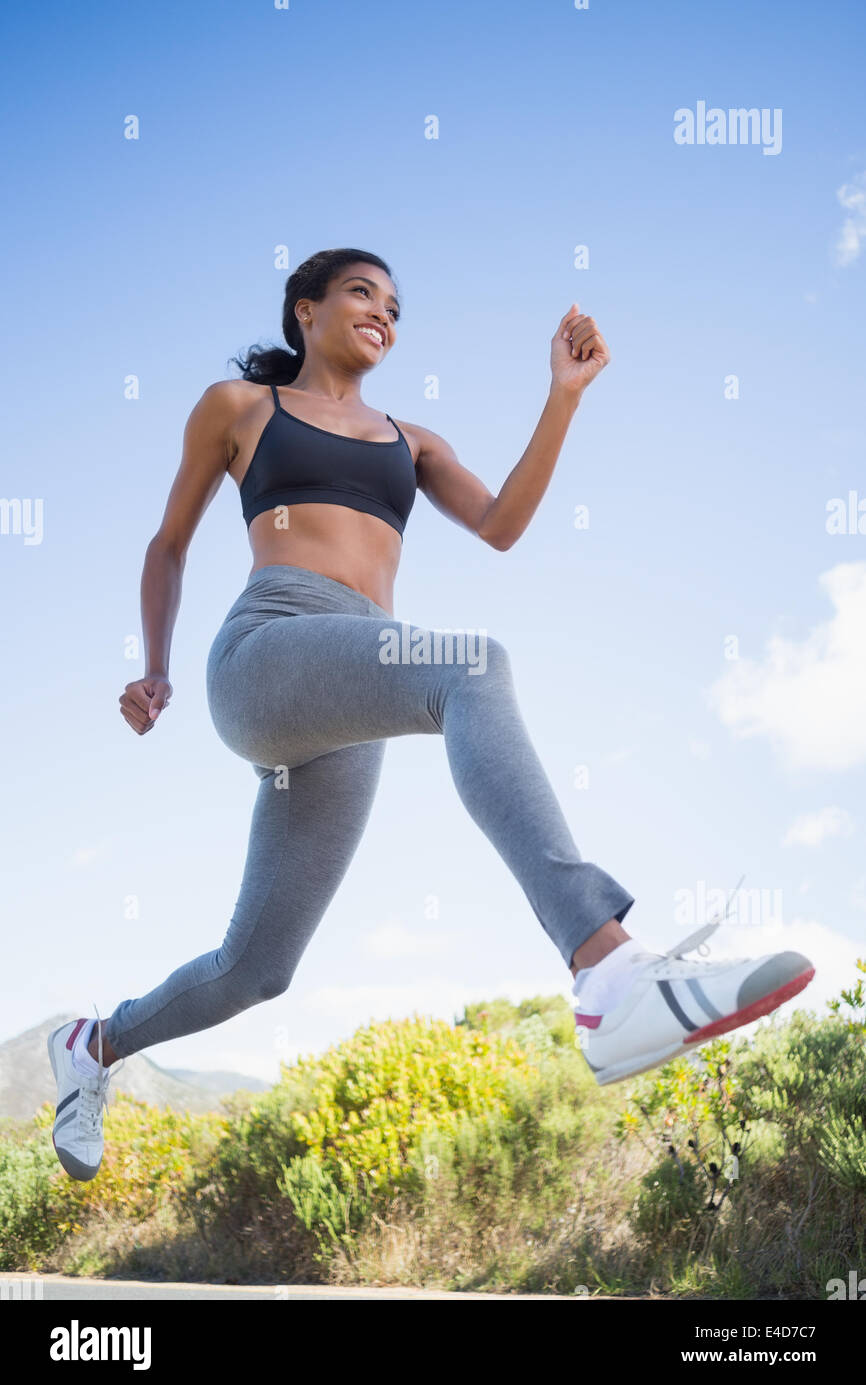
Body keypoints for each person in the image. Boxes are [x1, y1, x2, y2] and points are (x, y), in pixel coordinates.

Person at [48, 247, 814, 1181]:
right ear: (305, 310)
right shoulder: (241, 408)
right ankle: (607, 969)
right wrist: (155, 668)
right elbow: (168, 544)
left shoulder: (413, 441)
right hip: (272, 647)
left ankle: (94, 1045)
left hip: (355, 688)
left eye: (396, 306)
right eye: (362, 293)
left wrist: (563, 395)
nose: (384, 313)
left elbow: (500, 525)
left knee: (258, 966)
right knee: (471, 666)